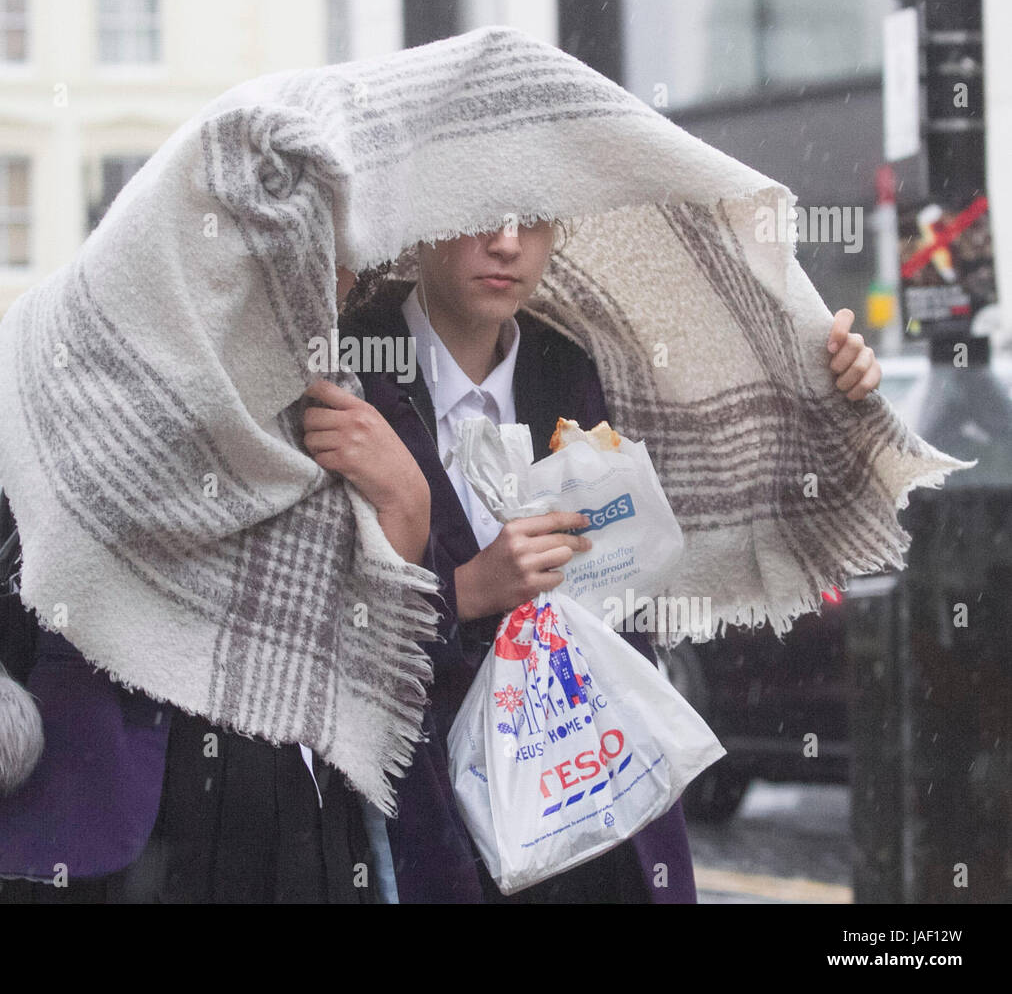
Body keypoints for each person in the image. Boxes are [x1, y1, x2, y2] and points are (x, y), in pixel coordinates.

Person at [337, 218, 882, 903]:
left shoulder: (572, 362)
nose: (507, 243)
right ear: (430, 210)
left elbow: (726, 487)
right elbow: (312, 619)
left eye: (531, 218)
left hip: (594, 799)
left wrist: (830, 396)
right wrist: (464, 593)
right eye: (484, 214)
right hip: (428, 815)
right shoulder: (350, 367)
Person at [0, 269, 434, 904]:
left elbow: (376, 652)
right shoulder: (97, 360)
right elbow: (54, 555)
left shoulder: (342, 403)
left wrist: (408, 503)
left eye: (346, 260)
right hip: (110, 809)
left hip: (294, 818)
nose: (330, 279)